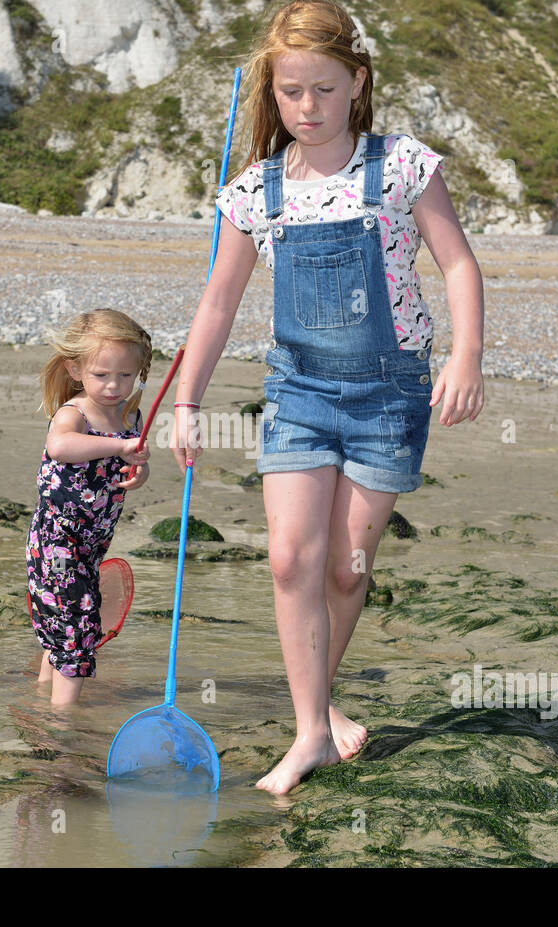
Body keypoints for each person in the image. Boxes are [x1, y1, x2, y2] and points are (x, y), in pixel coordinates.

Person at [171, 0, 486, 794]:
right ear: (271, 95)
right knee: (289, 559)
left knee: (346, 570)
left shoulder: (402, 167)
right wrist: (186, 401)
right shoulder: (257, 192)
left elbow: (457, 264)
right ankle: (311, 728)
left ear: (356, 82)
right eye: (289, 93)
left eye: (322, 90)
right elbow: (218, 303)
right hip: (299, 389)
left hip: (390, 395)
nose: (305, 109)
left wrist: (466, 355)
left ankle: (320, 705)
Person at [27, 309, 153, 706]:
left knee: (61, 626)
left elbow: (133, 460)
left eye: (125, 375)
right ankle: (64, 724)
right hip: (56, 544)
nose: (114, 386)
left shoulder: (130, 415)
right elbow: (60, 447)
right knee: (79, 629)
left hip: (92, 544)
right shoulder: (75, 414)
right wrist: (119, 447)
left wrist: (139, 469)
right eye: (102, 375)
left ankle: (39, 697)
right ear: (76, 369)